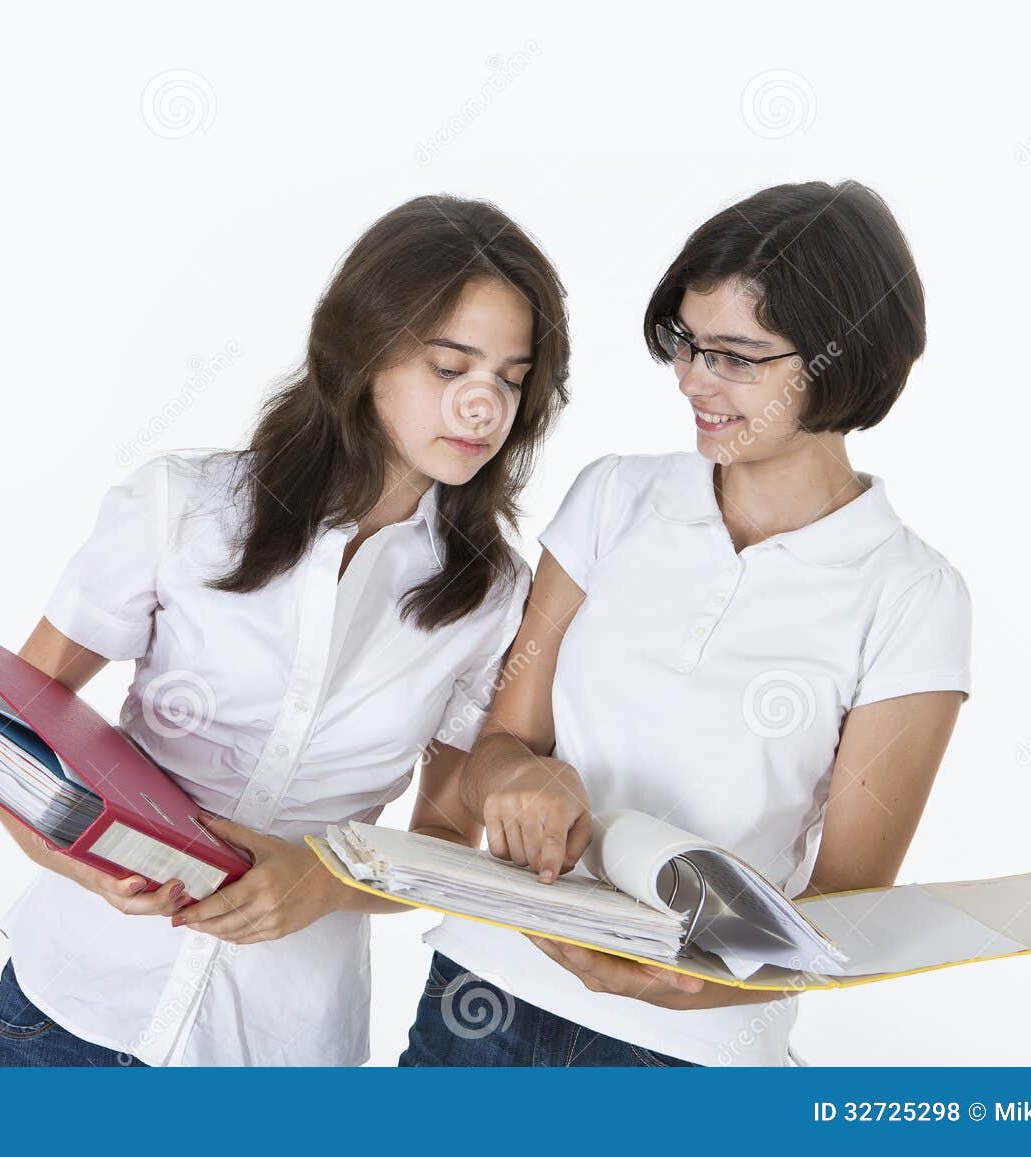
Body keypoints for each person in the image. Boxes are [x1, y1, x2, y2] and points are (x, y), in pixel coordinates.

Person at [0, 194, 571, 1066]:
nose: (484, 405)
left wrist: (327, 882)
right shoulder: (186, 506)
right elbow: (5, 731)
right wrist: (86, 868)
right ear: (364, 351)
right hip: (70, 1014)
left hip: (282, 1050)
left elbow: (444, 844)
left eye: (511, 379)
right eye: (450, 367)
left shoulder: (488, 596)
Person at [401, 180, 971, 1068]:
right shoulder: (615, 497)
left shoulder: (912, 594)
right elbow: (502, 741)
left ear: (842, 357)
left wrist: (707, 981)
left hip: (691, 1055)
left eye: (737, 357)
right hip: (485, 1000)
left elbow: (851, 906)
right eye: (686, 343)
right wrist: (519, 781)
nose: (693, 381)